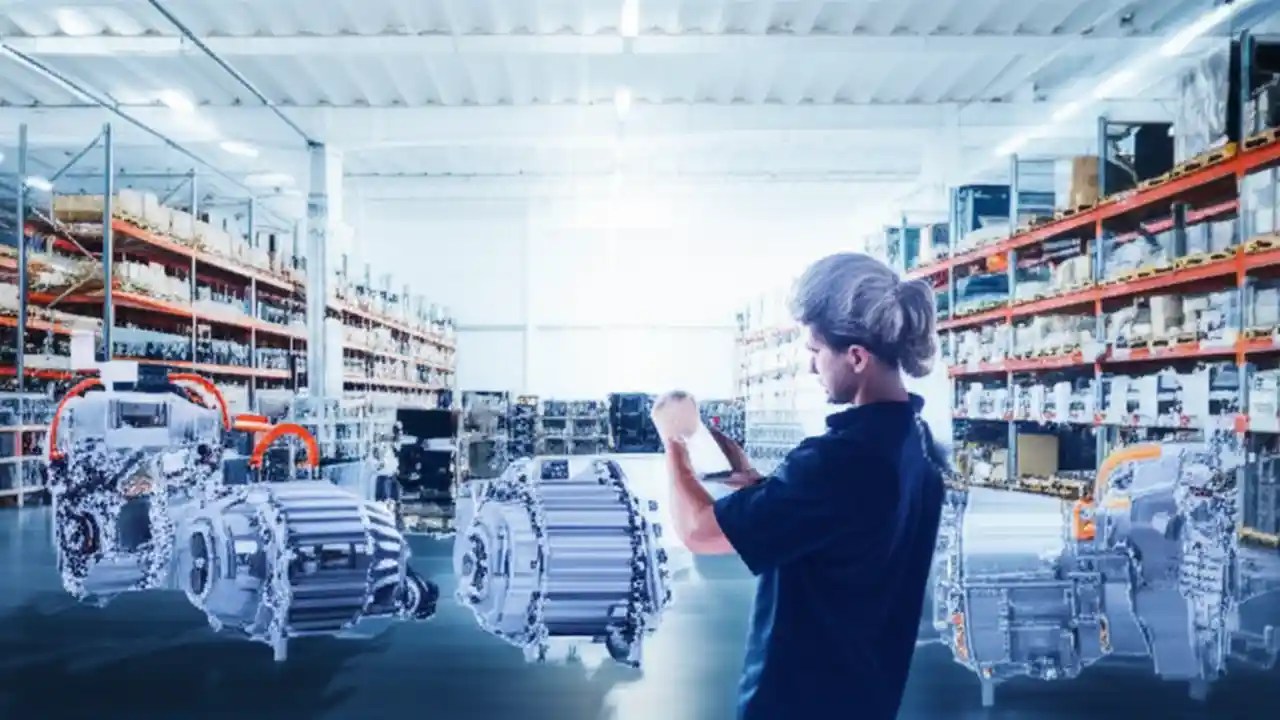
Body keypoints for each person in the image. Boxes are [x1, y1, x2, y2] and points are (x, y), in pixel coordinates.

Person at [651, 252, 947, 720]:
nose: (811, 368)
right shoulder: (917, 443)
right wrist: (768, 490)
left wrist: (674, 440)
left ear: (856, 357)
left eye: (815, 351)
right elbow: (849, 527)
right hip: (868, 696)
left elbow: (698, 531)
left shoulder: (840, 461)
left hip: (799, 703)